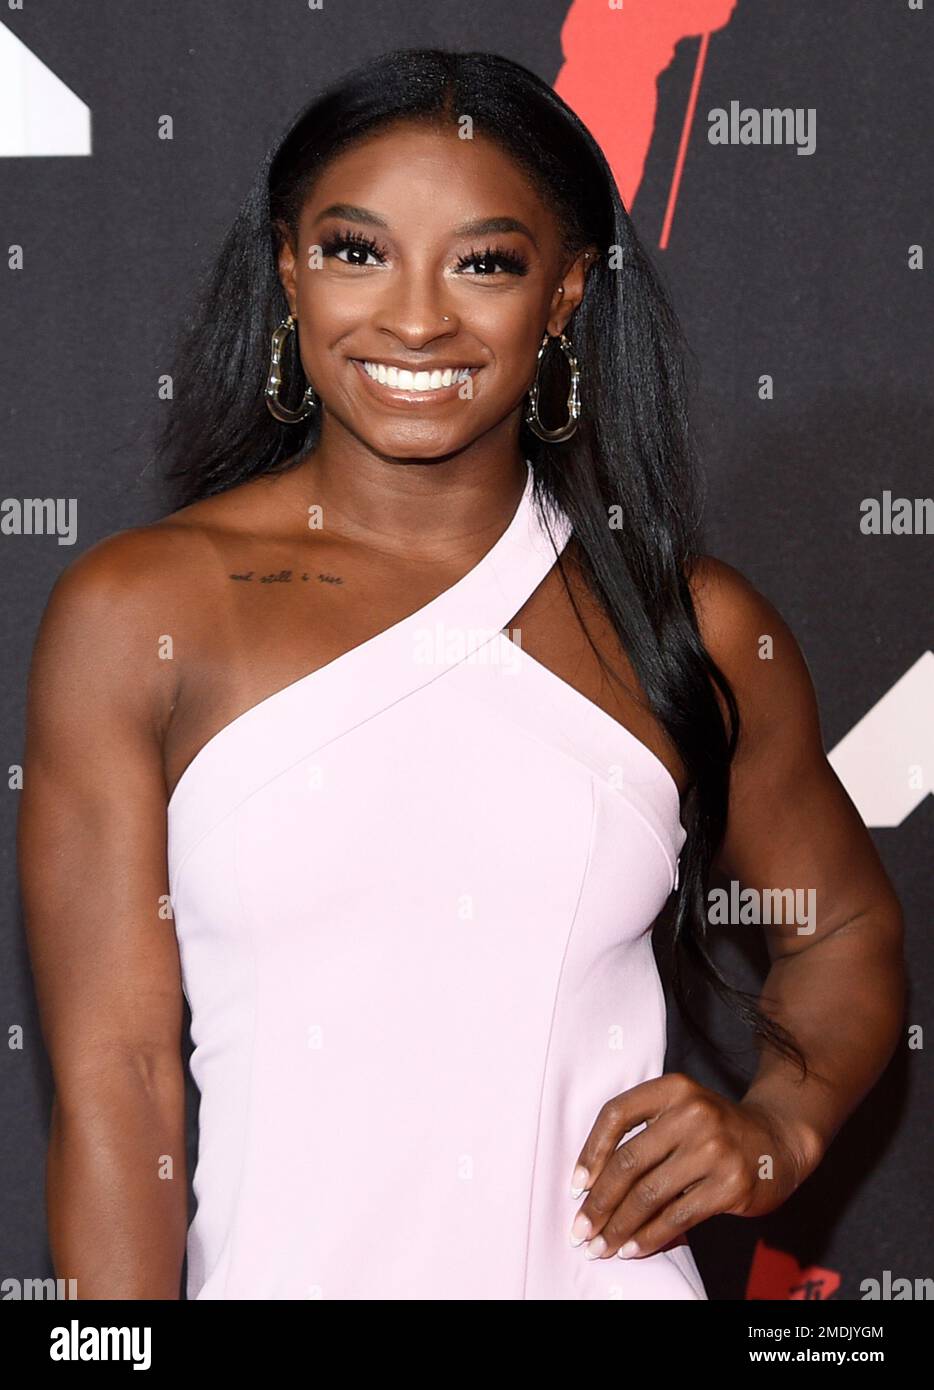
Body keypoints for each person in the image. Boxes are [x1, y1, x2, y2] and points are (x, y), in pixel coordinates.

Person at [18, 48, 905, 1301]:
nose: (417, 318)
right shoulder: (140, 611)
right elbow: (118, 1080)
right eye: (354, 250)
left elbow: (846, 927)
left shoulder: (684, 624)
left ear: (564, 294)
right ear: (288, 270)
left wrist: (780, 1124)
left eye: (484, 262)